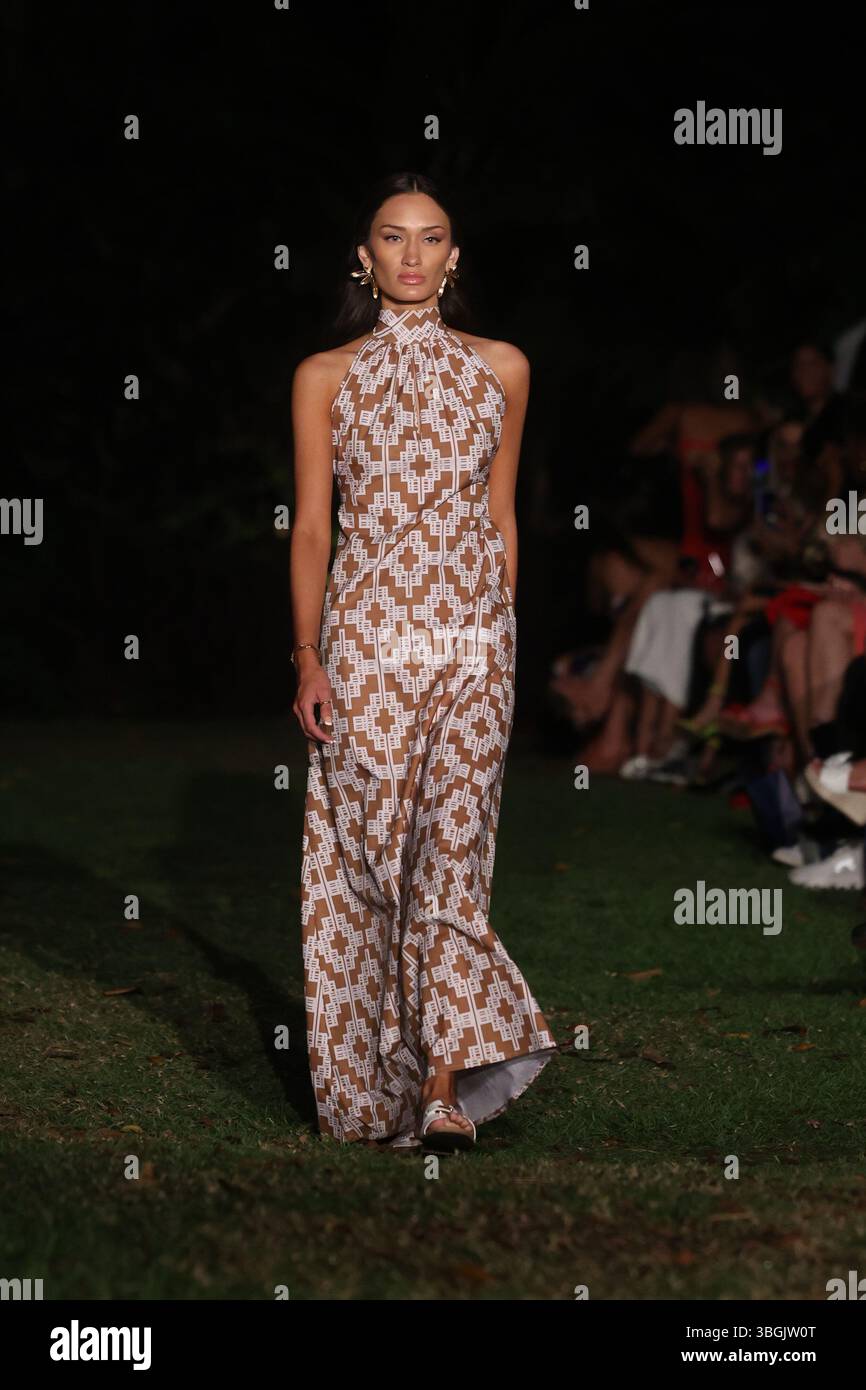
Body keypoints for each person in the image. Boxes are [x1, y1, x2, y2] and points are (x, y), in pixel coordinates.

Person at [289, 172, 558, 1153]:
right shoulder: (322, 375)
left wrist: (503, 632)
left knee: (451, 855)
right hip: (364, 641)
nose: (410, 254)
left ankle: (441, 1090)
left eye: (430, 237)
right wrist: (307, 656)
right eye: (391, 238)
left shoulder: (503, 367)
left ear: (454, 257)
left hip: (472, 645)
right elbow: (312, 527)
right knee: (372, 866)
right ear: (364, 258)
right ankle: (377, 1080)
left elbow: (500, 514)